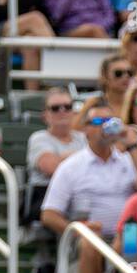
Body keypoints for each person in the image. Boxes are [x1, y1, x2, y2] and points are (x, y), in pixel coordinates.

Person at [40, 111, 137, 273]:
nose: (105, 126)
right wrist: (79, 229)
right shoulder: (71, 166)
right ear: (85, 129)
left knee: (134, 237)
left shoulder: (128, 161)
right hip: (89, 235)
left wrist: (132, 146)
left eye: (110, 121)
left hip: (125, 232)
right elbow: (49, 214)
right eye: (98, 122)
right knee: (90, 242)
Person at [25, 85, 84, 222]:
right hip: (46, 195)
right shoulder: (39, 138)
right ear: (45, 115)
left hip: (81, 194)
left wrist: (63, 158)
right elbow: (52, 167)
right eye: (55, 108)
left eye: (67, 107)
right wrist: (81, 159)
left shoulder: (83, 138)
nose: (62, 111)